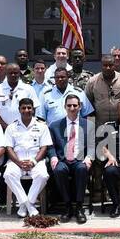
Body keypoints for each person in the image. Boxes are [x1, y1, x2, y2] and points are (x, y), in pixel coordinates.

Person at [48, 94, 95, 223]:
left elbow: (92, 145)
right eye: (69, 105)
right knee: (58, 170)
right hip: (62, 159)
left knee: (82, 169)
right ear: (65, 107)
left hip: (79, 160)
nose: (72, 108)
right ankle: (68, 206)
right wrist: (53, 157)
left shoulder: (89, 125)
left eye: (75, 105)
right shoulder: (55, 125)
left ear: (79, 107)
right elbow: (50, 146)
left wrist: (89, 157)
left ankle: (79, 207)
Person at [2, 97, 52, 217]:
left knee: (43, 175)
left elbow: (44, 147)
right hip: (16, 161)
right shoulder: (11, 127)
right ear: (19, 110)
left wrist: (34, 162)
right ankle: (28, 204)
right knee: (8, 175)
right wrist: (19, 163)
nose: (26, 110)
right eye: (23, 108)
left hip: (36, 160)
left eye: (29, 108)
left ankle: (25, 204)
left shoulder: (42, 126)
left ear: (33, 109)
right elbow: (9, 148)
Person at [85, 54, 120, 126]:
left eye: (110, 65)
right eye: (105, 65)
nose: (108, 68)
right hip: (100, 125)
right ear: (101, 66)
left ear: (114, 65)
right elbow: (87, 104)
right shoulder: (92, 82)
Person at [0, 61, 41, 126]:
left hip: (23, 128)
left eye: (15, 73)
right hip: (2, 129)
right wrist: (4, 126)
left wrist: (25, 125)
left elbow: (33, 109)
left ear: (19, 73)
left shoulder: (29, 89)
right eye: (10, 73)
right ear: (6, 73)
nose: (13, 75)